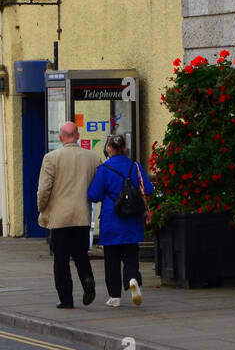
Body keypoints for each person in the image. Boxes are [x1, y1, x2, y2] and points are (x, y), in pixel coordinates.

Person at [36, 121, 99, 309]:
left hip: (59, 218)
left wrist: (41, 207)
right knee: (81, 255)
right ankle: (87, 281)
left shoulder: (51, 158)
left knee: (61, 260)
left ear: (61, 137)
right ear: (78, 136)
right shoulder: (93, 158)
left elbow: (44, 189)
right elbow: (97, 186)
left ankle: (66, 299)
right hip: (81, 216)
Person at [87, 134, 154, 307]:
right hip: (132, 219)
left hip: (111, 219)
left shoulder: (104, 169)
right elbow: (148, 188)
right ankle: (132, 279)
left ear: (108, 148)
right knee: (131, 255)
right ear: (125, 148)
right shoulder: (135, 166)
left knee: (111, 260)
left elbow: (93, 195)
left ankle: (115, 297)